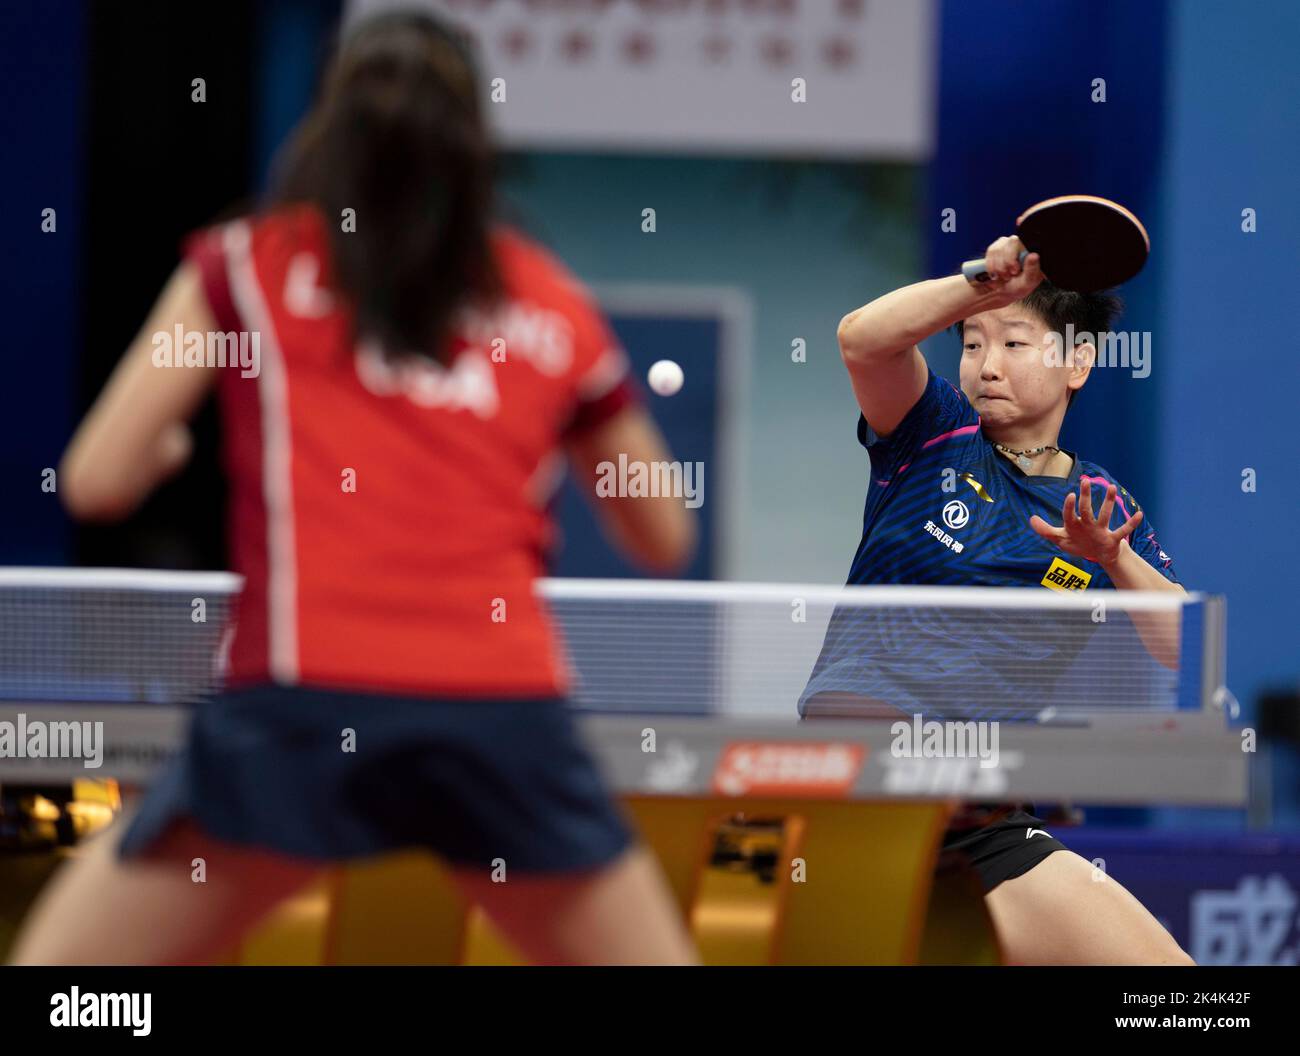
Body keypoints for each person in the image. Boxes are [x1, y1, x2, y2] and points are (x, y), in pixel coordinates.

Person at [11, 10, 698, 967]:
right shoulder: (549, 303)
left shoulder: (246, 266)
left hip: (297, 709)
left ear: (330, 127)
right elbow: (663, 537)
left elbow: (94, 480)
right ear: (474, 145)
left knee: (66, 989)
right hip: (500, 718)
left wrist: (163, 450)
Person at [804, 234, 1194, 965]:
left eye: (1014, 342)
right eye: (972, 342)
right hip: (859, 779)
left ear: (1078, 361)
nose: (986, 365)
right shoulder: (932, 433)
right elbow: (861, 340)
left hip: (977, 817)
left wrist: (1114, 559)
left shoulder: (1101, 505)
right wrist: (984, 283)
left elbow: (1187, 646)